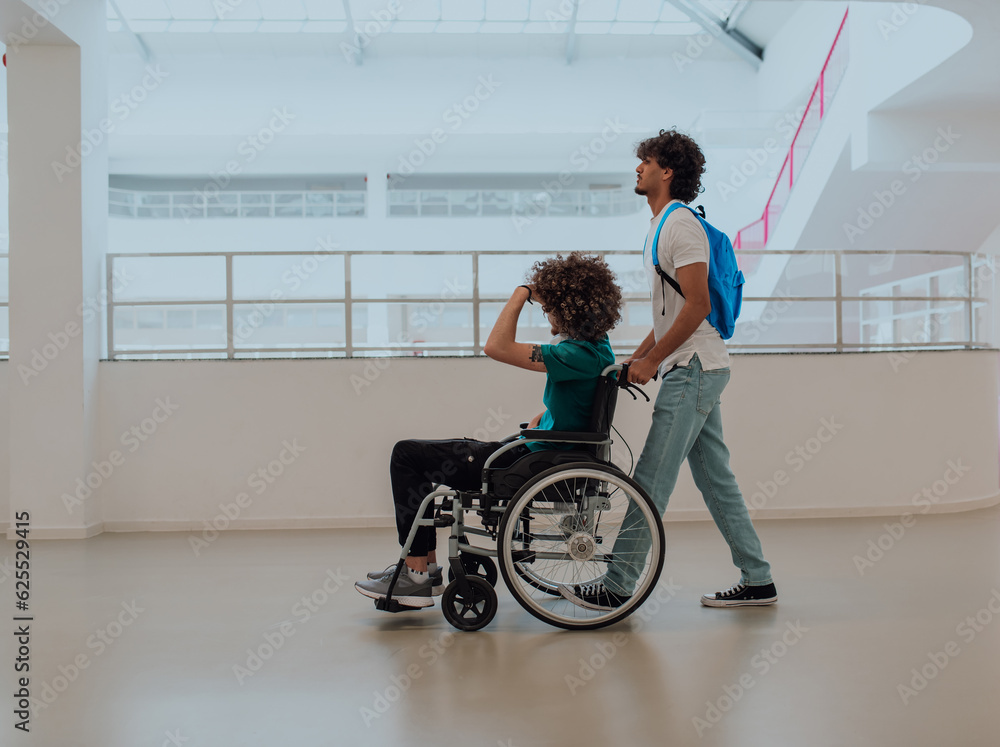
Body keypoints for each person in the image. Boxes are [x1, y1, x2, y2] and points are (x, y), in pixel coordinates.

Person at [560, 129, 777, 611]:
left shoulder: (680, 227)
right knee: (716, 480)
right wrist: (639, 357)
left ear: (668, 171)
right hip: (694, 364)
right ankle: (758, 580)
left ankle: (617, 586)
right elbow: (670, 312)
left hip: (694, 367)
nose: (638, 168)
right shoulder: (662, 226)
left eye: (646, 161)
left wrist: (654, 361)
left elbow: (698, 305)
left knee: (652, 478)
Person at [355, 252, 623, 608]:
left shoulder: (573, 354)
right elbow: (574, 402)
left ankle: (418, 572)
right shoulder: (596, 348)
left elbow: (495, 346)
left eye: (548, 308)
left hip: (531, 463)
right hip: (538, 453)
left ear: (567, 308)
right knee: (439, 451)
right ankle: (423, 567)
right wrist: (543, 420)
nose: (546, 315)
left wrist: (521, 293)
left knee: (407, 455)